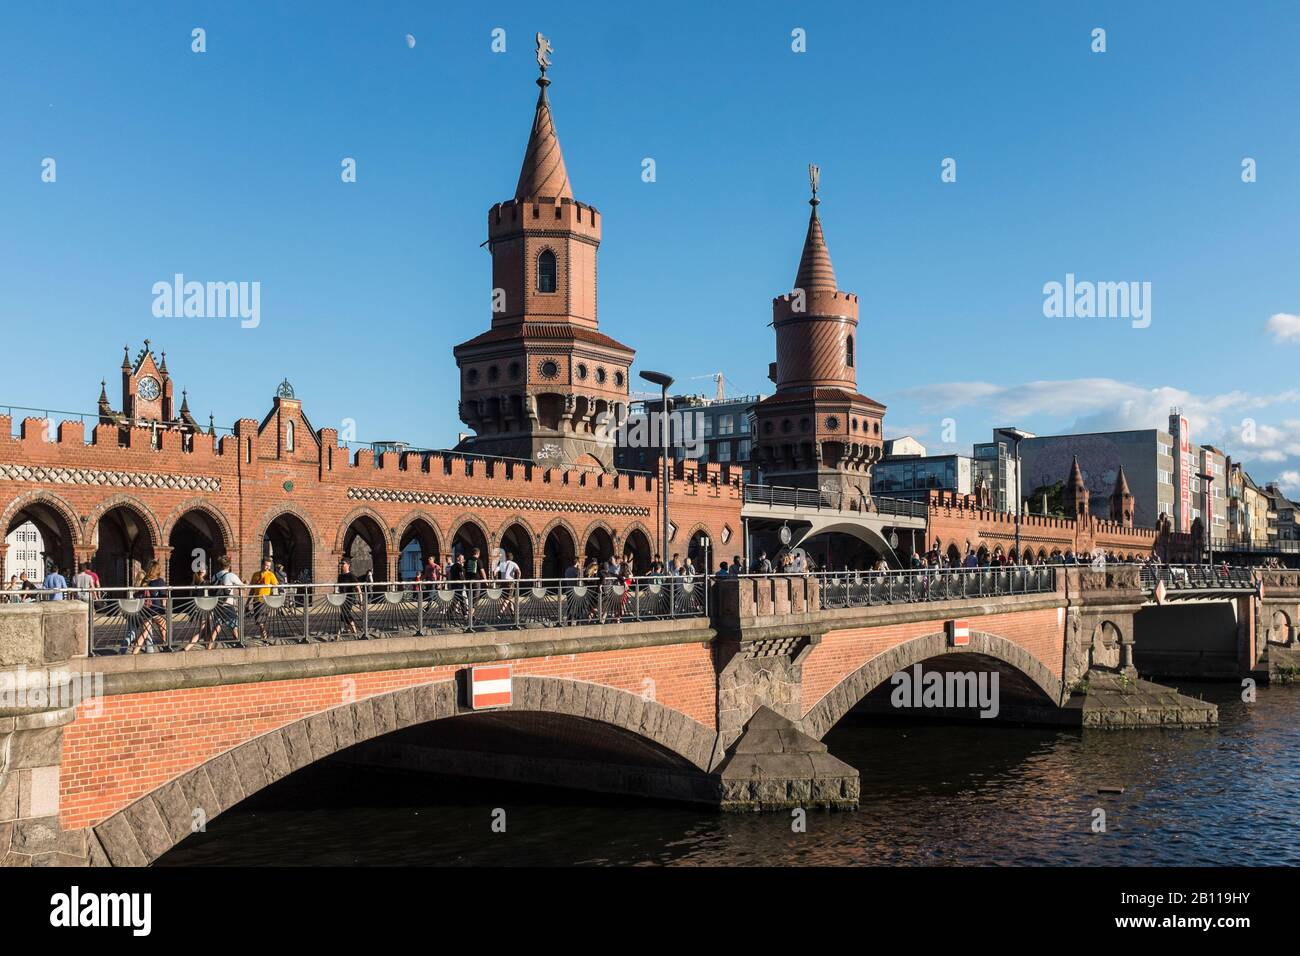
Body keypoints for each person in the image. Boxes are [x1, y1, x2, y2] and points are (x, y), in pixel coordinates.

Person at [130, 561, 168, 654]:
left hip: (145, 611)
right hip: (156, 610)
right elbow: (164, 595)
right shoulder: (160, 581)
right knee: (164, 629)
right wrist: (164, 606)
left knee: (144, 633)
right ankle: (166, 646)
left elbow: (137, 594)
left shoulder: (145, 581)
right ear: (158, 570)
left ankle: (135, 651)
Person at [208, 555, 243, 649]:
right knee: (234, 624)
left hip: (217, 604)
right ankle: (239, 642)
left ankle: (209, 645)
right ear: (229, 565)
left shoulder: (214, 576)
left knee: (217, 626)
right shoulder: (230, 575)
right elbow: (242, 586)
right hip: (227, 604)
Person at [248, 557, 278, 642]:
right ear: (262, 565)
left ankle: (265, 639)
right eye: (266, 565)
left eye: (269, 566)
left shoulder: (270, 575)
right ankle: (264, 637)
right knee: (259, 622)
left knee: (261, 622)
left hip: (264, 601)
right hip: (256, 601)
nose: (268, 567)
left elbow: (276, 585)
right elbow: (252, 589)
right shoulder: (255, 575)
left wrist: (271, 591)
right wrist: (248, 601)